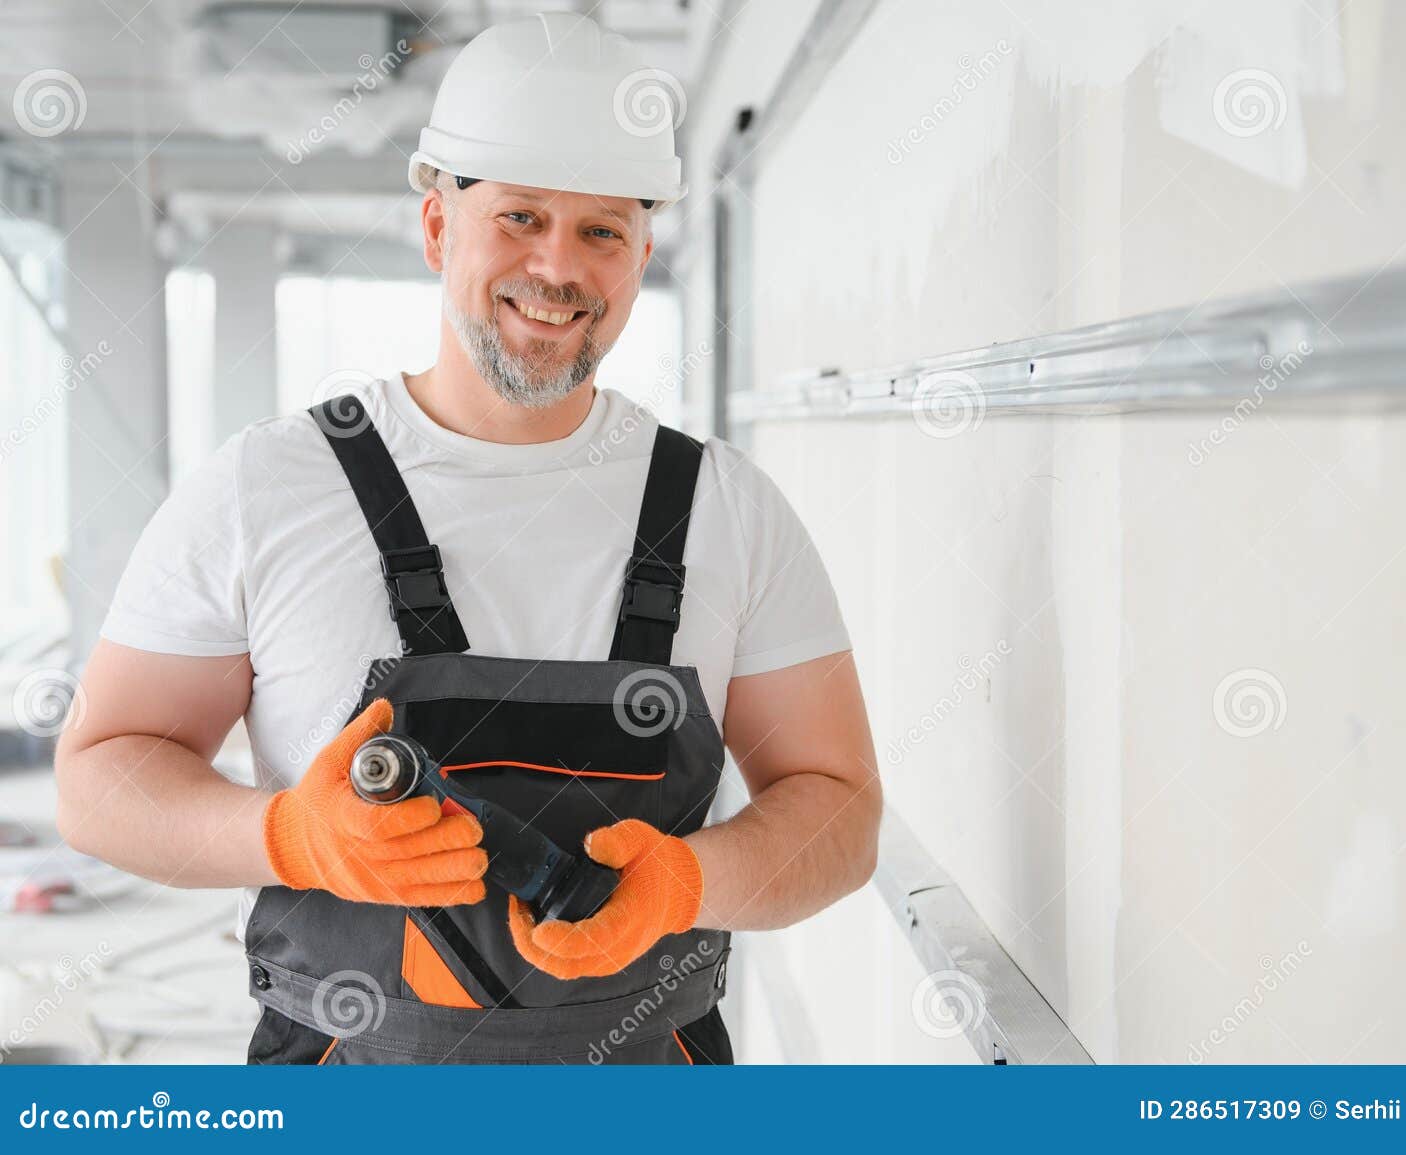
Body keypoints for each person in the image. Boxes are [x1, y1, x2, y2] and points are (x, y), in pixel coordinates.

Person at [54, 12, 880, 1065]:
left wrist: (689, 882)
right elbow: (98, 777)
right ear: (440, 226)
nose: (558, 267)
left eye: (601, 231)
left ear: (640, 254)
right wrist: (290, 837)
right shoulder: (267, 489)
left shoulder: (725, 505)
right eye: (522, 216)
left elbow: (839, 809)